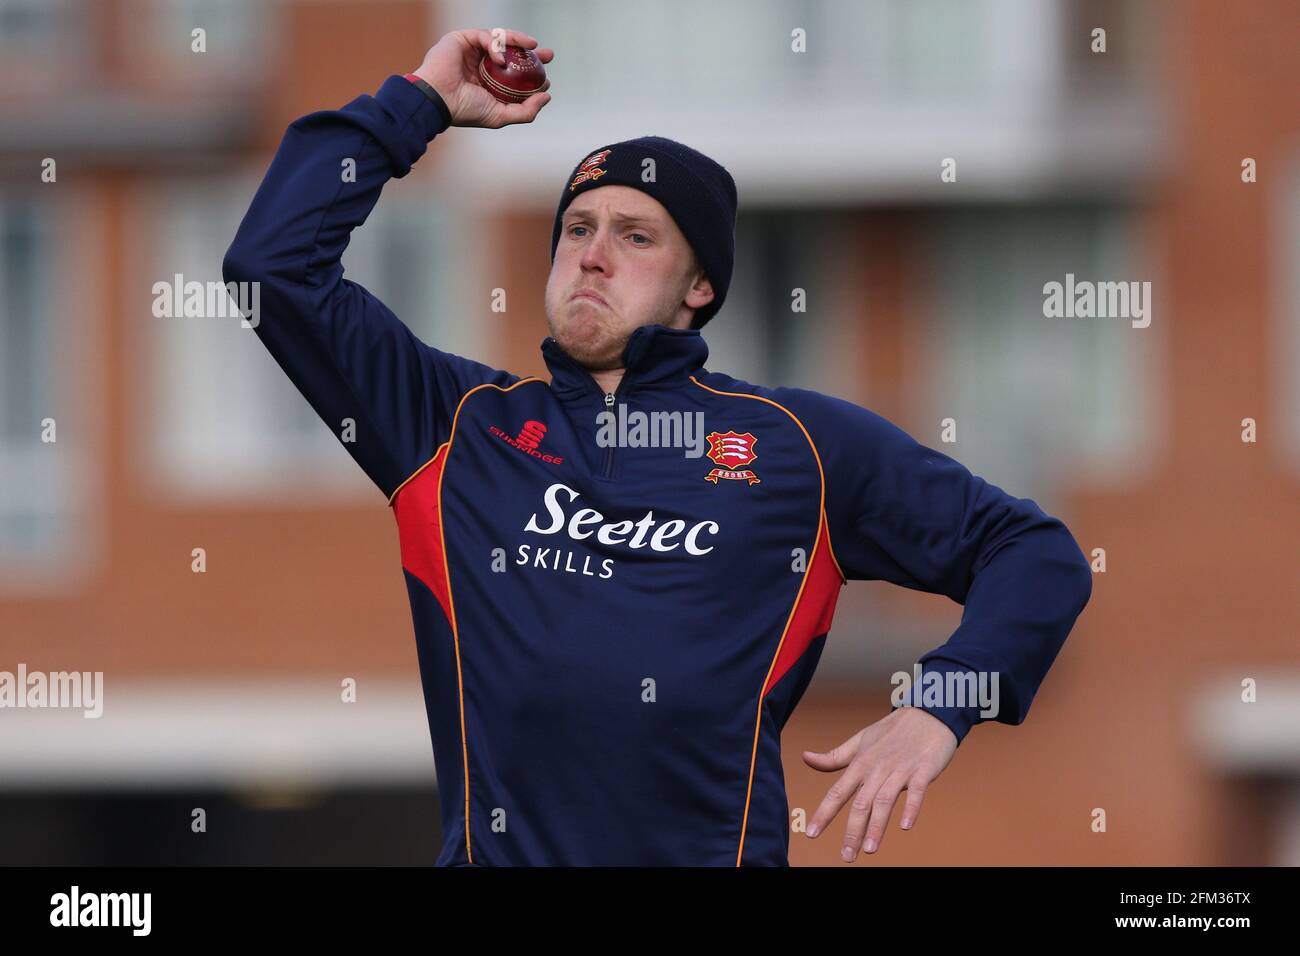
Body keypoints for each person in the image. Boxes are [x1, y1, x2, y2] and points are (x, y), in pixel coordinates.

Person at [222, 27, 1093, 866]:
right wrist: (420, 103)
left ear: (700, 285)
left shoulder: (799, 446)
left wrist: (940, 705)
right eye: (577, 229)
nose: (593, 255)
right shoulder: (452, 426)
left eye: (636, 236)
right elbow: (272, 266)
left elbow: (1036, 553)